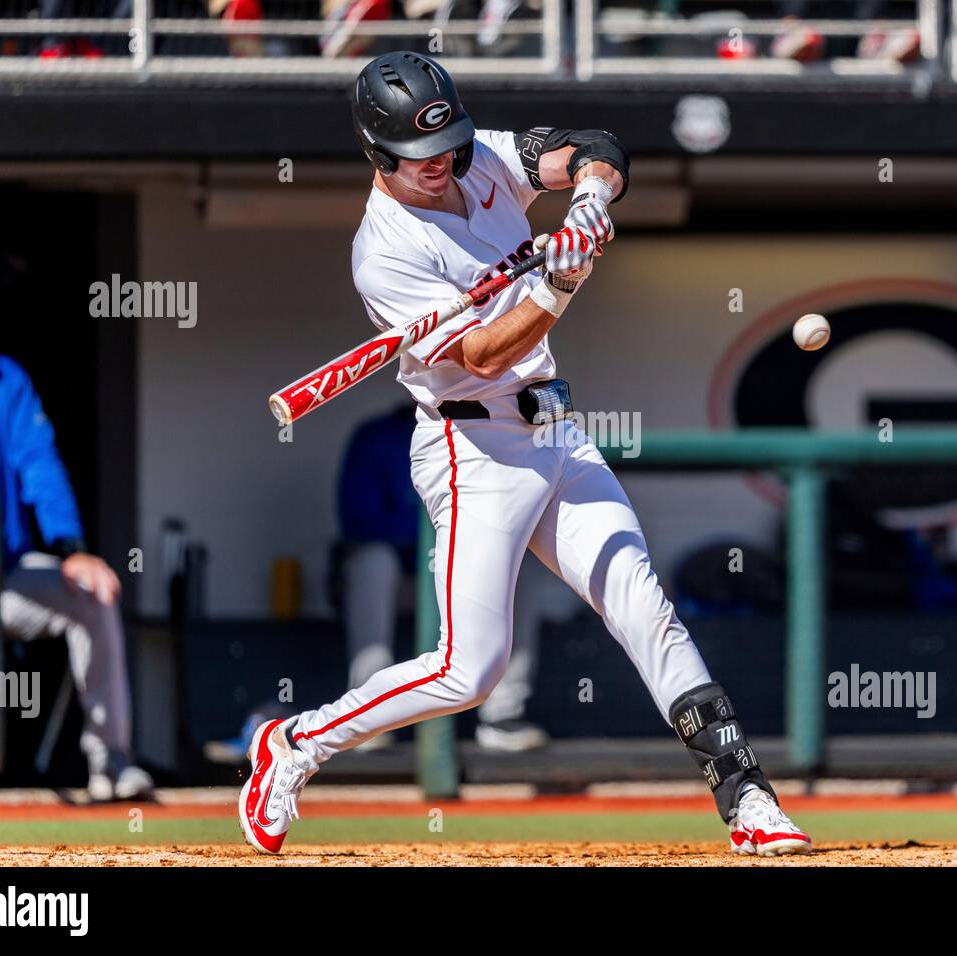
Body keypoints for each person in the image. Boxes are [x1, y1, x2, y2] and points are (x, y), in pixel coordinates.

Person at [238, 51, 810, 857]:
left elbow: (592, 143)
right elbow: (481, 356)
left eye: (448, 146)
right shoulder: (386, 251)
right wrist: (556, 285)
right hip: (473, 446)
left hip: (554, 430)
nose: (440, 165)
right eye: (418, 156)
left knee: (641, 604)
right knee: (467, 669)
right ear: (377, 153)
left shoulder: (478, 159)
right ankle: (296, 742)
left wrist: (586, 197)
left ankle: (747, 797)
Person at [0, 289, 152, 802]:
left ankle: (111, 760)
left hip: (4, 579)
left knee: (91, 594)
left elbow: (40, 464)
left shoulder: (3, 379)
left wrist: (71, 545)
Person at [334, 403, 554, 751]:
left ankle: (503, 715)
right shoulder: (378, 436)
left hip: (466, 569)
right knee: (371, 563)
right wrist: (438, 530)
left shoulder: (487, 431)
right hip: (405, 576)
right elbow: (358, 521)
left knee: (522, 564)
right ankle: (366, 714)